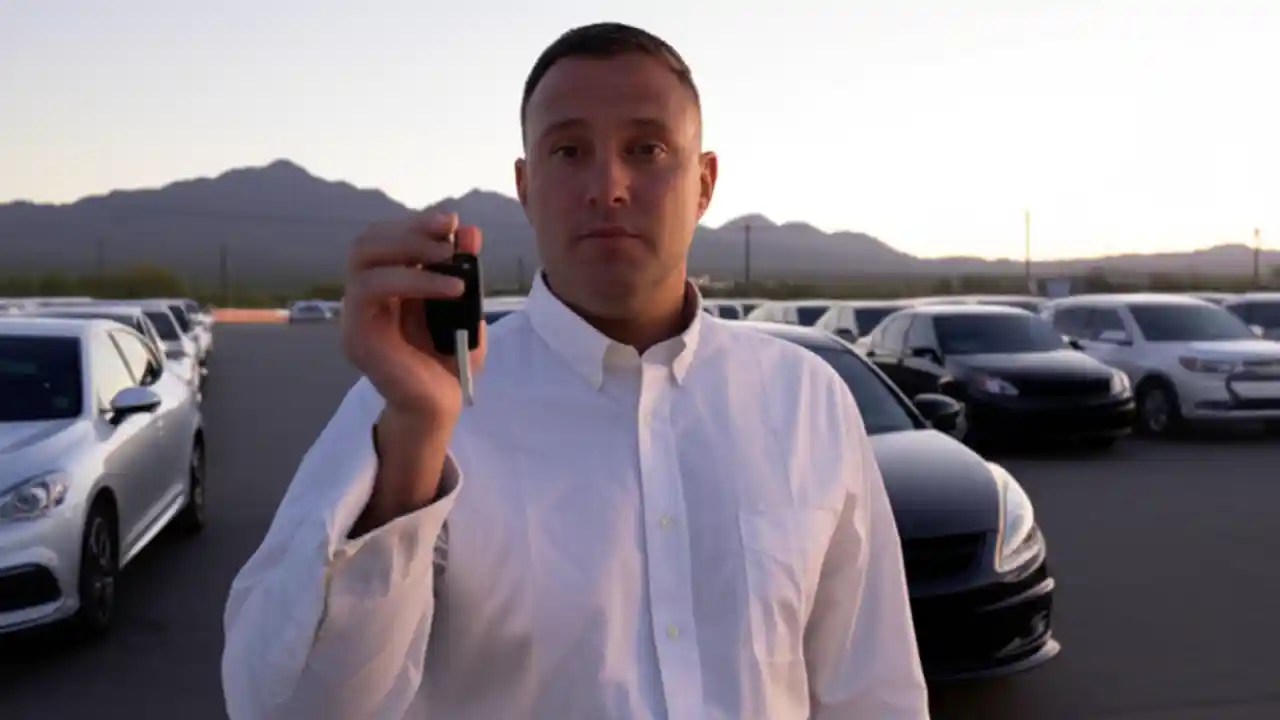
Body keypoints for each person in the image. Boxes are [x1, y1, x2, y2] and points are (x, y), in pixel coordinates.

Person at [221, 21, 930, 720]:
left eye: (647, 148)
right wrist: (411, 448)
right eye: (569, 151)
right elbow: (279, 706)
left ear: (705, 182)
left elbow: (873, 690)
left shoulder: (805, 401)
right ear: (527, 187)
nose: (608, 186)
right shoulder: (407, 408)